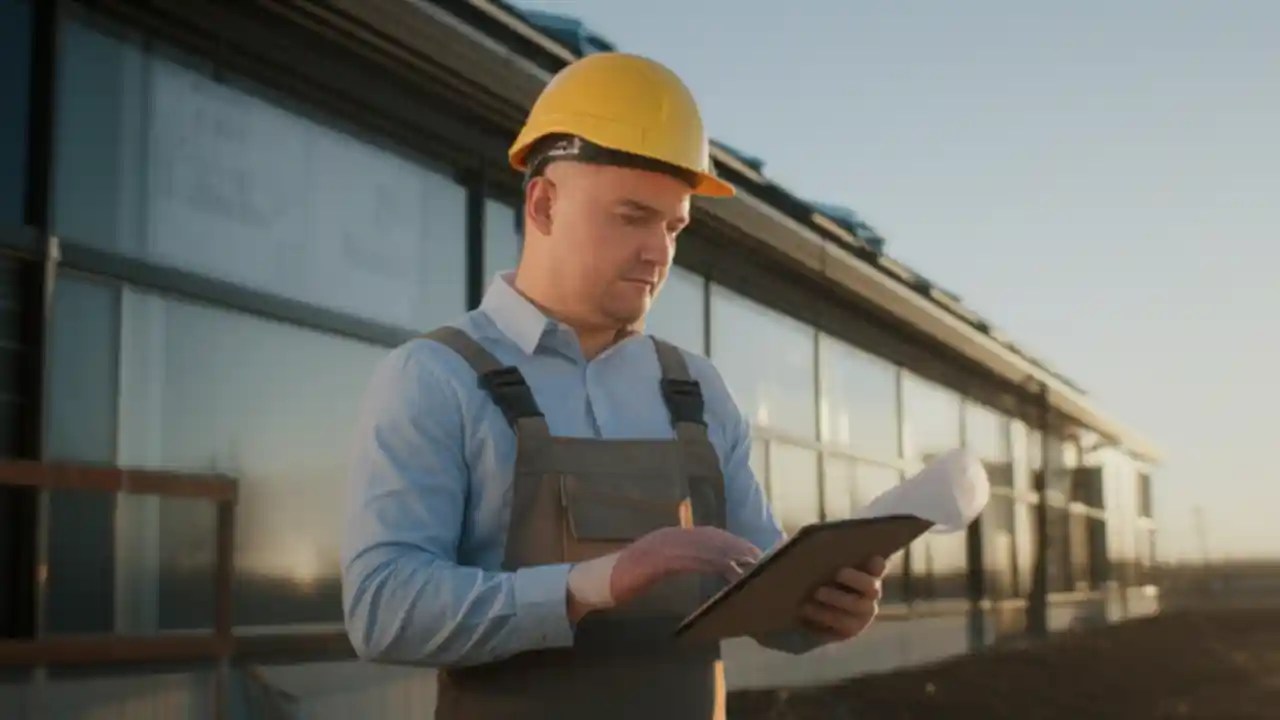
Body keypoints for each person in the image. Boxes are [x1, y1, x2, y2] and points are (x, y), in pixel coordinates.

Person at [341, 51, 887, 720]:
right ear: (544, 204)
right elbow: (382, 610)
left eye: (673, 226)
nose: (659, 252)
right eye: (632, 217)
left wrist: (822, 610)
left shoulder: (698, 390)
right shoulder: (436, 377)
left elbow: (760, 592)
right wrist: (595, 584)